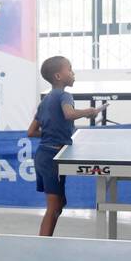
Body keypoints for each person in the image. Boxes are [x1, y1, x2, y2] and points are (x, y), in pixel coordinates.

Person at [27, 56, 102, 237]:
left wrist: (49, 133)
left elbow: (31, 132)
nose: (73, 73)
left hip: (43, 156)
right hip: (54, 157)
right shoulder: (65, 95)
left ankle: (47, 240)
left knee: (58, 204)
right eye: (70, 69)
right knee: (53, 208)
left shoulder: (45, 101)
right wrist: (88, 112)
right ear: (59, 76)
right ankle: (43, 246)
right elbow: (68, 114)